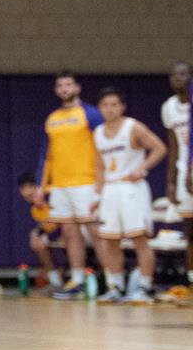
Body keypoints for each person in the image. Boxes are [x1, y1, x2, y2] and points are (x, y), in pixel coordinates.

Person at [93, 87, 166, 305]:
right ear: (100, 108)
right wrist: (96, 197)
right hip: (110, 189)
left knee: (139, 239)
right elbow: (99, 168)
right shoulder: (97, 132)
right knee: (110, 241)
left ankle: (144, 286)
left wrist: (142, 168)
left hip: (132, 189)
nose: (110, 109)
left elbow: (159, 148)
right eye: (105, 105)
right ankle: (115, 286)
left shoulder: (133, 127)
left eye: (114, 104)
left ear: (122, 106)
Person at [35, 72, 104, 300]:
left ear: (77, 88)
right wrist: (41, 186)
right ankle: (77, 280)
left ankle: (112, 281)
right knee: (69, 232)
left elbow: (104, 144)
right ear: (56, 90)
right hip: (60, 185)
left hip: (86, 181)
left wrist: (102, 181)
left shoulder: (91, 113)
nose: (64, 88)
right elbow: (47, 155)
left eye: (68, 84)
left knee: (95, 232)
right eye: (60, 85)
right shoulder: (52, 118)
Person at [18, 172, 63, 290]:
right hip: (56, 234)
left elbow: (63, 223)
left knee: (42, 241)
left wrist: (48, 237)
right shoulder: (33, 209)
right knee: (36, 241)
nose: (27, 192)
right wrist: (37, 232)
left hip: (69, 232)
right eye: (23, 188)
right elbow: (46, 225)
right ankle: (54, 279)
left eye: (30, 187)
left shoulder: (51, 199)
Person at [162, 61, 191, 219]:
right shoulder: (169, 107)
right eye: (173, 75)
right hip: (183, 171)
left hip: (190, 170)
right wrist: (171, 183)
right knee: (188, 224)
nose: (177, 78)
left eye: (182, 74)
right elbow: (174, 149)